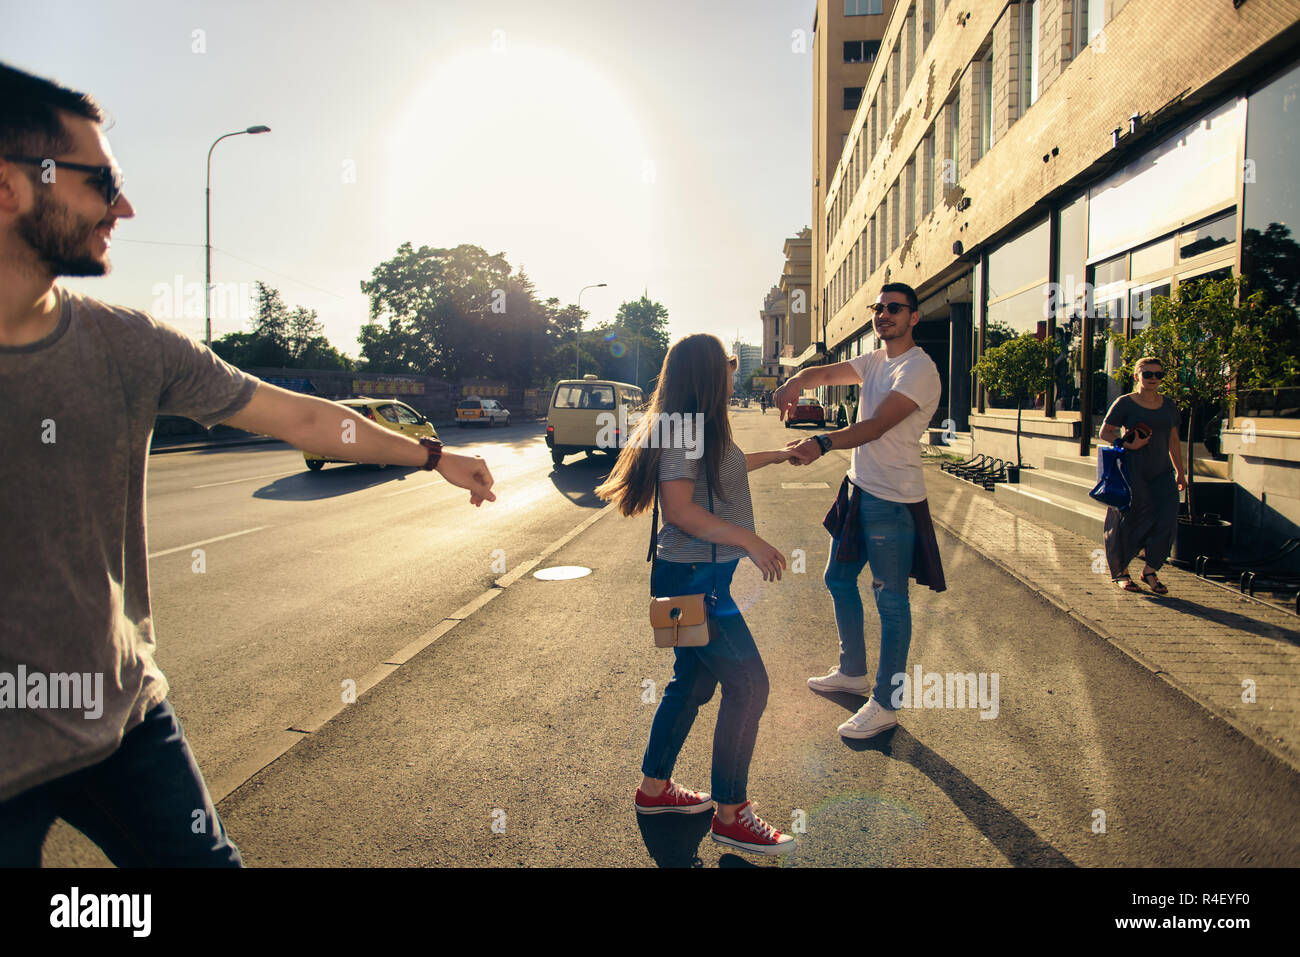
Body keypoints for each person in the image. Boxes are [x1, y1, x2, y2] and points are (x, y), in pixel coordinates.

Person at [0, 63, 496, 867]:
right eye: (104, 182)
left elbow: (301, 415)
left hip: (125, 719)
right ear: (10, 187)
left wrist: (432, 453)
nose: (124, 206)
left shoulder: (130, 345)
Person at [595, 334, 797, 856]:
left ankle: (655, 789)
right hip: (695, 583)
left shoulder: (695, 427)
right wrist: (750, 540)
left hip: (691, 578)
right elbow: (681, 509)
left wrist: (777, 456)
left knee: (691, 685)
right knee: (749, 685)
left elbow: (722, 471)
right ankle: (731, 814)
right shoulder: (685, 429)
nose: (734, 373)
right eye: (728, 366)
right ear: (709, 375)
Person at [774, 282, 946, 740]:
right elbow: (824, 375)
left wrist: (821, 442)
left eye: (895, 308)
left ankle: (886, 704)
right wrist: (794, 380)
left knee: (890, 602)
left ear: (913, 316)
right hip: (859, 490)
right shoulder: (874, 360)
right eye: (879, 307)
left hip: (894, 501)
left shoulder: (919, 369)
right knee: (837, 578)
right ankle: (852, 671)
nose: (884, 314)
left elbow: (875, 426)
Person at [1099, 356, 1185, 595]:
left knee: (1167, 519)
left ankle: (1149, 570)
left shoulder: (1168, 405)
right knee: (1131, 519)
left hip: (1162, 471)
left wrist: (1180, 471)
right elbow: (1105, 432)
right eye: (1148, 374)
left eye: (1159, 375)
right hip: (1133, 470)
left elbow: (1174, 440)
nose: (1154, 379)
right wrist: (1128, 446)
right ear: (1137, 376)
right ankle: (1121, 572)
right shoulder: (1125, 403)